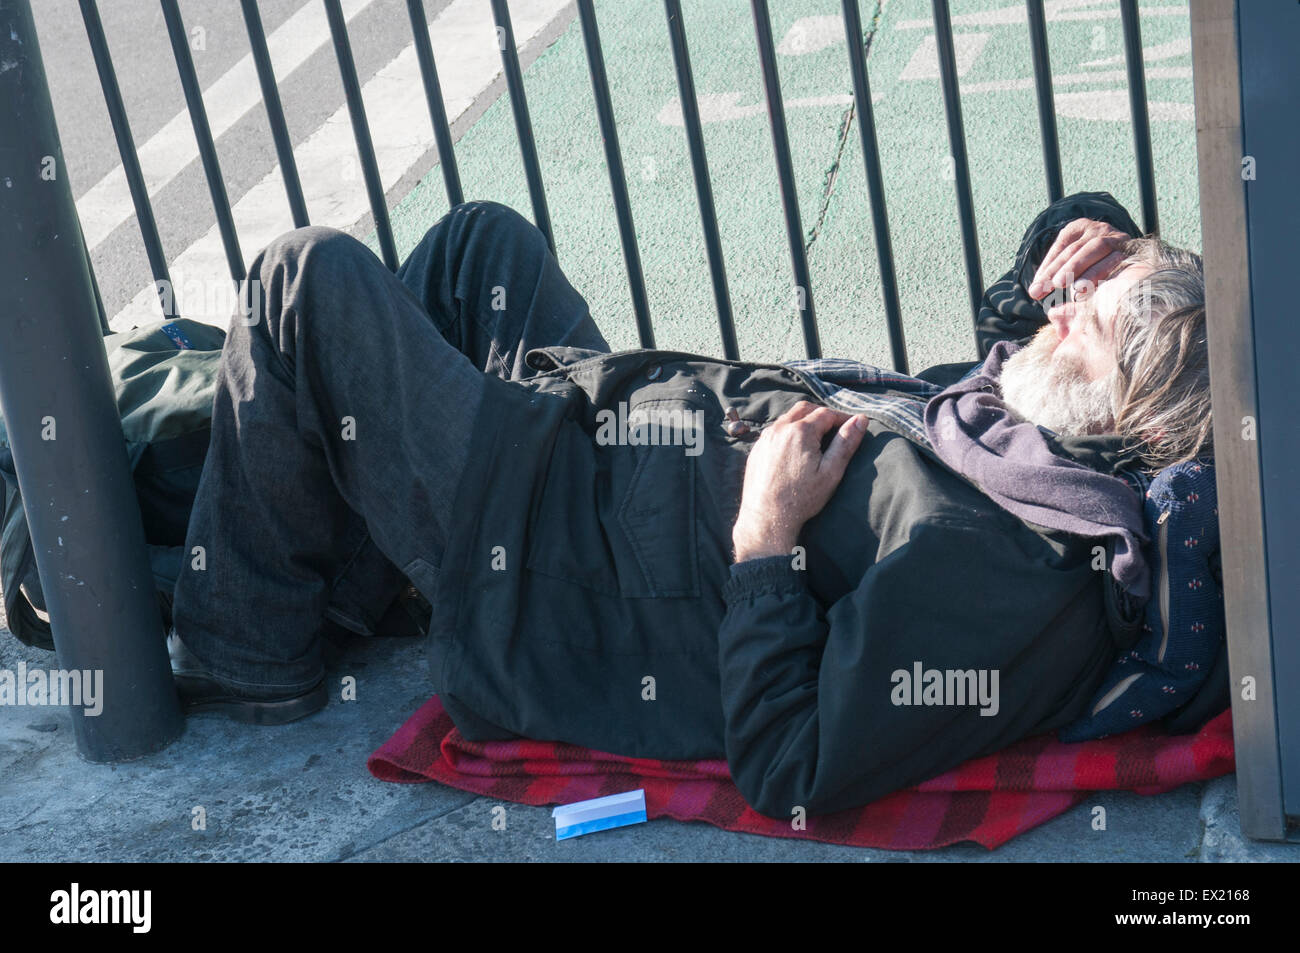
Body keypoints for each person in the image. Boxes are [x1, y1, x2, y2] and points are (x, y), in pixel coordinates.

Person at [168, 191, 1210, 817]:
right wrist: (1097, 233)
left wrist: (764, 540)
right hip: (595, 437)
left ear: (1129, 414)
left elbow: (790, 766)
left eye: (1082, 319)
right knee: (478, 246)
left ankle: (246, 653)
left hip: (543, 554)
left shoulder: (998, 571)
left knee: (304, 279)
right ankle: (359, 578)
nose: (1055, 311)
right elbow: (1025, 315)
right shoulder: (1022, 434)